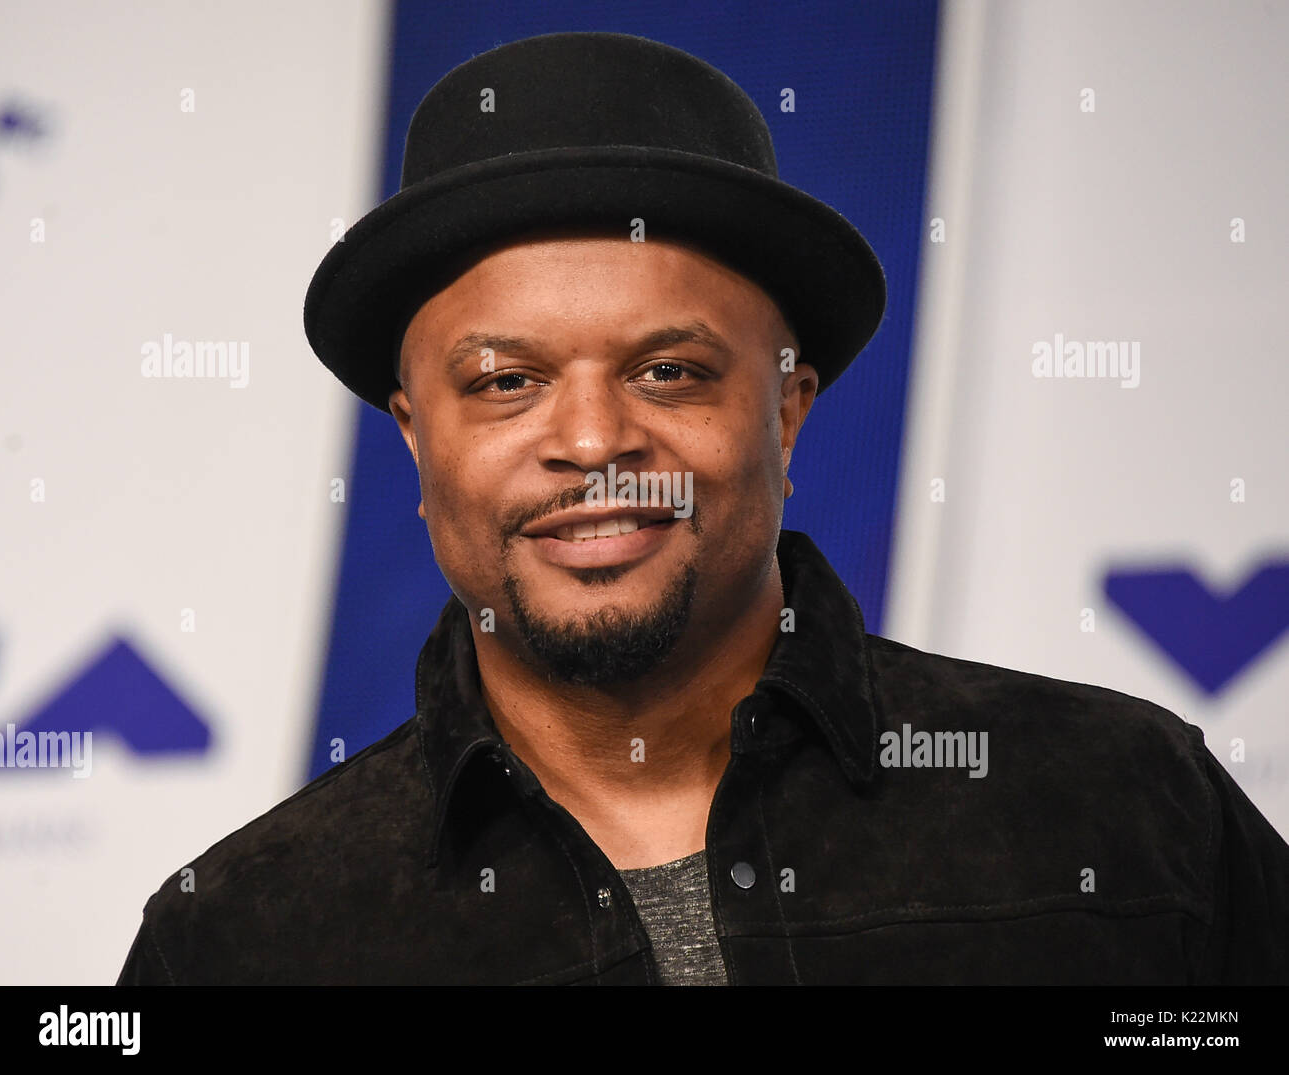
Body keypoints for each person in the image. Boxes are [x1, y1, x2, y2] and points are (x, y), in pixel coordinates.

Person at [116, 31, 1288, 985]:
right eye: (505, 383)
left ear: (785, 413)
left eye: (668, 371)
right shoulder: (237, 941)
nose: (591, 443)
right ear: (419, 442)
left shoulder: (1127, 804)